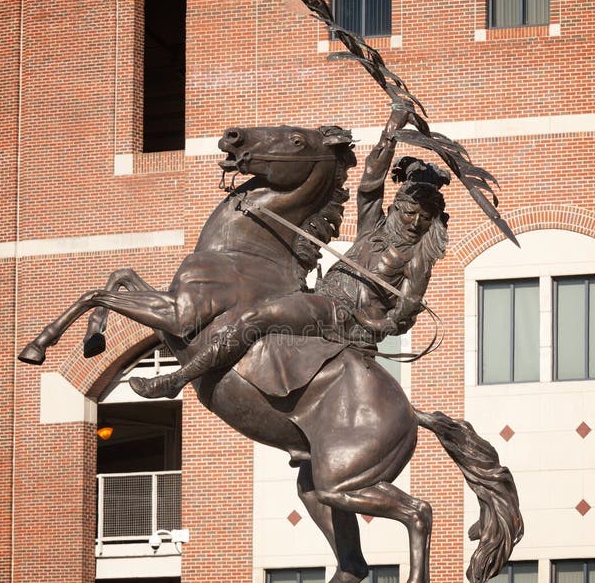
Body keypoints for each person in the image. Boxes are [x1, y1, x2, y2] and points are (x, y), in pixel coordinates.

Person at [129, 110, 449, 399]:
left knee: (256, 317)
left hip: (339, 314)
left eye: (424, 218)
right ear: (395, 209)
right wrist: (391, 129)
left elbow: (403, 315)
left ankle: (176, 379)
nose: (415, 223)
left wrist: (375, 321)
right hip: (319, 296)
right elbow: (371, 182)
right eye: (410, 213)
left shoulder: (417, 259)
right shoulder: (372, 229)